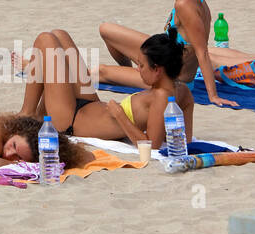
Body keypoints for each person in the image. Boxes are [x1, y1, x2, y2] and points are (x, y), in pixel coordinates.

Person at [98, 0, 239, 109]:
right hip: (162, 59)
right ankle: (129, 71)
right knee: (107, 30)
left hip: (171, 78)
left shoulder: (184, 5)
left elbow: (202, 52)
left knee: (101, 72)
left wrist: (213, 96)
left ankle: (131, 74)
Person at [18, 28, 193, 149]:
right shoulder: (182, 90)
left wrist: (120, 116)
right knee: (59, 35)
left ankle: (27, 113)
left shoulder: (162, 97)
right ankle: (40, 111)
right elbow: (186, 140)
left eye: (141, 66)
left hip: (71, 121)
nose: (137, 70)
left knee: (45, 40)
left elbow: (151, 146)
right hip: (90, 104)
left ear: (157, 69)